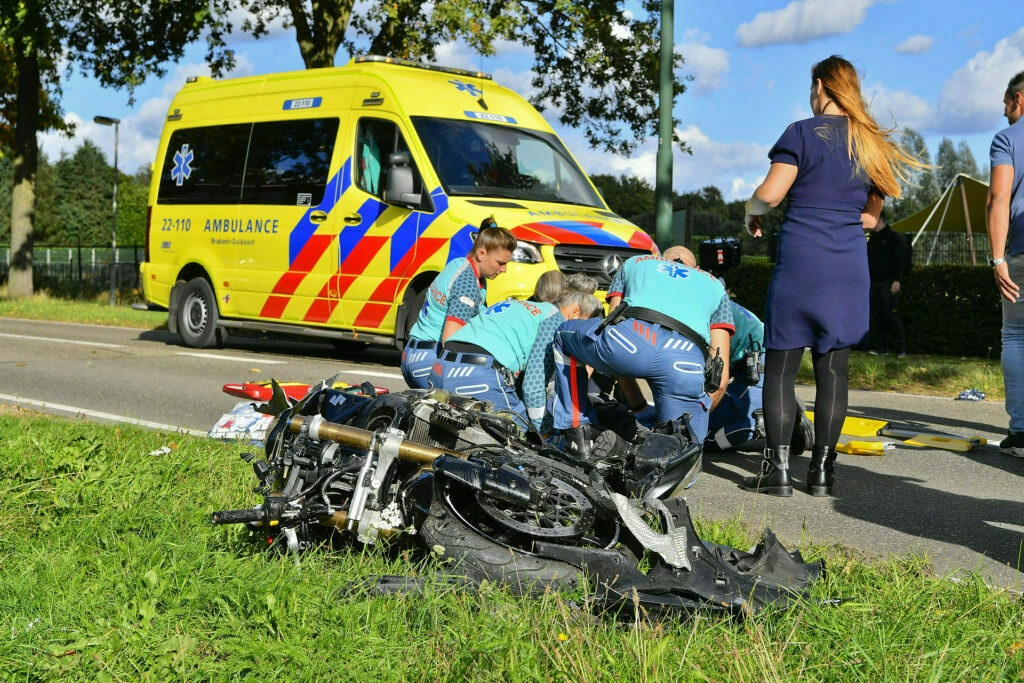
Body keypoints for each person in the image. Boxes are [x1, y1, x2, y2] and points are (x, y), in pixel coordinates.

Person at [743, 55, 925, 497]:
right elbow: (869, 218)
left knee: (782, 368)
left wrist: (750, 209)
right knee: (834, 373)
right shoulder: (870, 144)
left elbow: (771, 194)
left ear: (822, 87)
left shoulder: (801, 132)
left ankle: (779, 472)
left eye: (813, 86)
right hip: (847, 268)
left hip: (802, 263)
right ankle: (822, 473)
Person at [550, 245, 734, 459]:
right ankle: (655, 467)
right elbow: (719, 380)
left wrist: (638, 407)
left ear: (660, 258)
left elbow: (610, 324)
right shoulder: (714, 286)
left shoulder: (636, 262)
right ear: (697, 268)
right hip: (685, 360)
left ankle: (578, 433)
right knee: (679, 456)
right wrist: (693, 413)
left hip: (631, 340)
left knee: (564, 335)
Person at [428, 287, 602, 433]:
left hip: (441, 366)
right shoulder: (555, 321)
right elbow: (533, 388)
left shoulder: (522, 305)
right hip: (478, 374)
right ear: (574, 314)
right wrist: (547, 433)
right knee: (522, 440)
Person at [400, 217, 515, 388]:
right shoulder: (468, 284)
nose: (504, 269)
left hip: (413, 354)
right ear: (481, 254)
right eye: (500, 263)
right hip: (430, 359)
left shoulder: (458, 264)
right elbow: (450, 342)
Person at [986, 70, 1024, 459]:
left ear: (1019, 99)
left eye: (1006, 106)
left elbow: (998, 199)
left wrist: (998, 259)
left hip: (1022, 251)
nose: (1005, 115)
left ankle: (1022, 433)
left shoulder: (1008, 139)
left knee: (1016, 336)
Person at [866, 215, 908, 357]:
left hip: (888, 283)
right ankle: (881, 348)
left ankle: (900, 349)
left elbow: (900, 260)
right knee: (877, 315)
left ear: (878, 220)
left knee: (890, 315)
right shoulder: (873, 239)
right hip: (875, 282)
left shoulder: (893, 237)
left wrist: (897, 280)